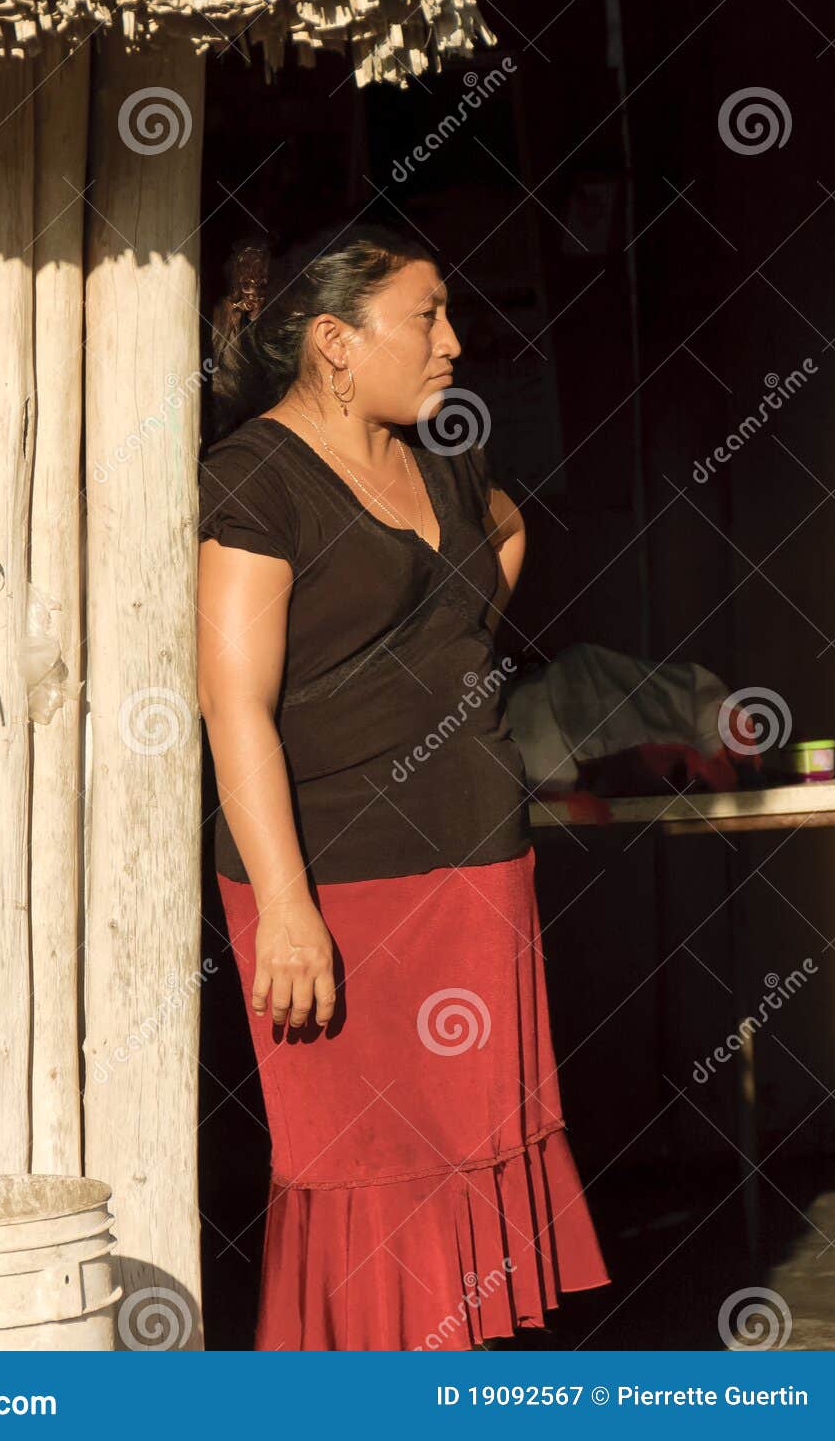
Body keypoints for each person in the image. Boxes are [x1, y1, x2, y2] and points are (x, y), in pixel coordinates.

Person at [196, 222, 610, 1351]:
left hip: (476, 863)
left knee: (472, 1160)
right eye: (426, 316)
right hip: (336, 882)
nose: (452, 341)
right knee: (360, 1172)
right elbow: (234, 707)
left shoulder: (446, 460)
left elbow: (503, 533)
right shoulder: (255, 483)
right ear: (333, 342)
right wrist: (287, 910)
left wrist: (439, 660)